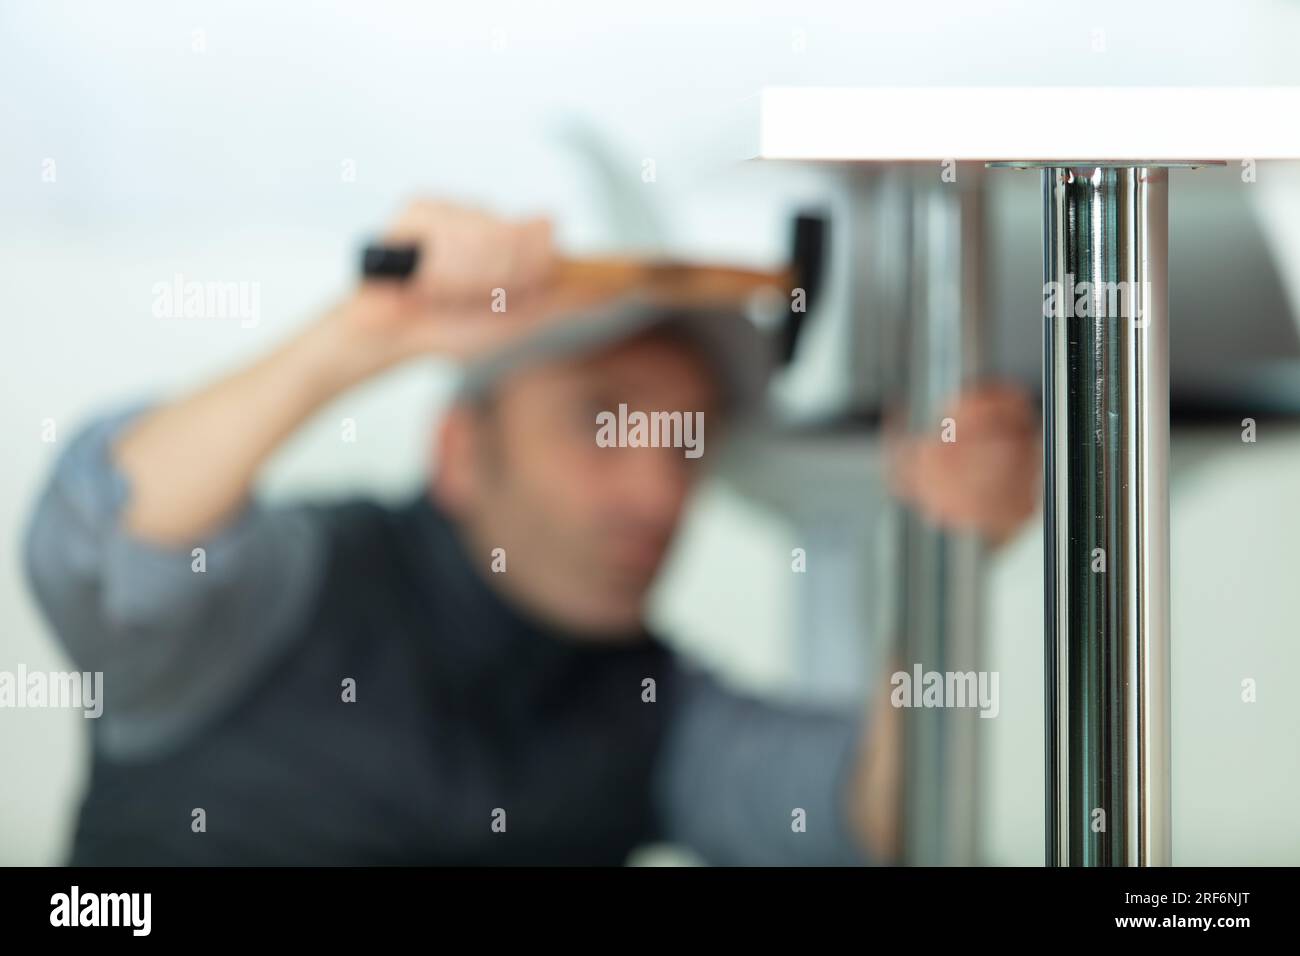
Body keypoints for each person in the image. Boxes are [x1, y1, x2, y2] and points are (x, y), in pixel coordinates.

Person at [23, 200, 1038, 865]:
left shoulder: (657, 707)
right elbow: (104, 544)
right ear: (462, 450)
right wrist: (363, 336)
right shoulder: (278, 591)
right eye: (602, 422)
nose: (655, 489)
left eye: (683, 443)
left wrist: (951, 550)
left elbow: (864, 814)